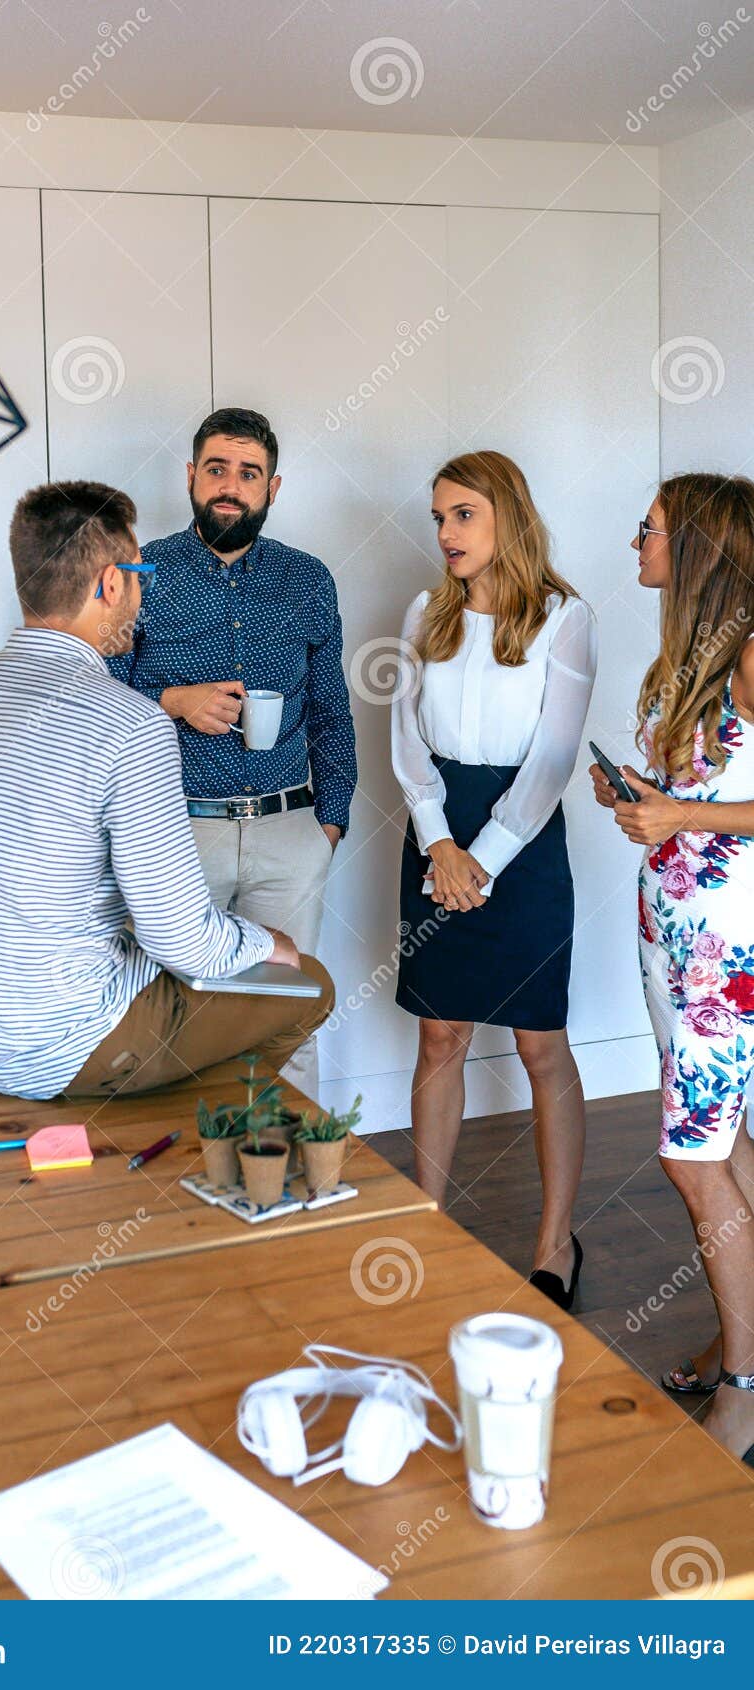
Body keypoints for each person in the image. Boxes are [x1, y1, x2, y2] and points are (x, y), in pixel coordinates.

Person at [0, 479, 334, 1102]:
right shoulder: (129, 724)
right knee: (310, 986)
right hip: (78, 1047)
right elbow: (180, 937)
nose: (141, 595)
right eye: (137, 575)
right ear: (111, 583)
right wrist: (269, 943)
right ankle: (186, 1130)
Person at [392, 450, 597, 1308]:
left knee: (539, 1045)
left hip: (524, 839)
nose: (445, 533)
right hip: (436, 835)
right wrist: (441, 846)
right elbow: (405, 738)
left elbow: (552, 760)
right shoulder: (422, 613)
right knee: (440, 1037)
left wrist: (485, 859)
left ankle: (556, 1245)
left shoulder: (565, 617)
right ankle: (430, 1222)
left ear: (507, 516)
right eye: (439, 516)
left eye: (463, 515)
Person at [106, 407, 357, 1100]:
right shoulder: (141, 572)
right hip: (174, 835)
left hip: (289, 833)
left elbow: (333, 714)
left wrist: (327, 827)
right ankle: (179, 1191)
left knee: (290, 1025)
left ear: (272, 488)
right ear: (191, 477)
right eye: (217, 469)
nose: (231, 485)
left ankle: (299, 1188)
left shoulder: (309, 581)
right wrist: (173, 701)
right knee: (165, 1024)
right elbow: (98, 705)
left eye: (249, 474)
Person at [590, 473, 754, 1467]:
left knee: (691, 1159)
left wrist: (680, 814)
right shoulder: (684, 660)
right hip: (672, 938)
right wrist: (652, 801)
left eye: (648, 529)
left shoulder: (748, 655)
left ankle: (745, 1386)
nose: (636, 541)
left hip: (729, 957)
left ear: (693, 547)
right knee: (728, 1154)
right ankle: (744, 1340)